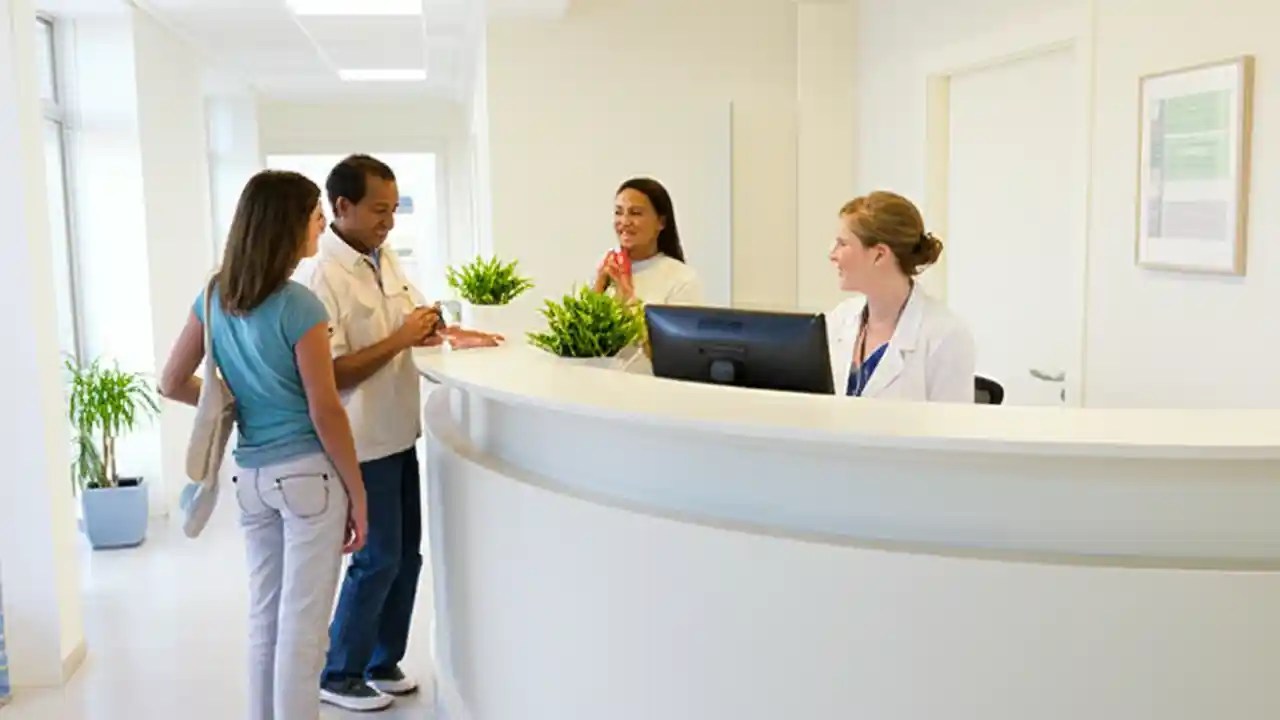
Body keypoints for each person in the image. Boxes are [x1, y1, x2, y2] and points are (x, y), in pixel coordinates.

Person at [159, 170, 368, 720]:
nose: (321, 225)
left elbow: (172, 381)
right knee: (303, 636)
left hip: (250, 480)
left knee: (265, 622)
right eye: (314, 215)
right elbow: (325, 410)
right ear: (287, 225)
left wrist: (235, 400)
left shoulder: (213, 295)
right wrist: (359, 494)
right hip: (309, 479)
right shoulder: (300, 307)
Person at [295, 154, 496, 713]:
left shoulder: (382, 258)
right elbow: (331, 372)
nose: (389, 221)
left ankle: (382, 661)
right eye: (379, 211)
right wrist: (405, 337)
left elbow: (409, 328)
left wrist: (447, 333)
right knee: (376, 557)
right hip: (358, 441)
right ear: (342, 207)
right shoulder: (321, 275)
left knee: (407, 556)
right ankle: (339, 671)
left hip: (398, 431)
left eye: (393, 209)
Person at [825, 191, 975, 402]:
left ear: (879, 255)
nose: (832, 254)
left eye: (843, 244)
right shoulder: (838, 321)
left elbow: (953, 431)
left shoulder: (944, 336)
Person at [593, 177, 703, 305]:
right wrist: (598, 287)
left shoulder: (682, 279)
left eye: (635, 213)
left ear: (661, 222)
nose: (624, 221)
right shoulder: (605, 267)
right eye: (619, 212)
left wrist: (626, 294)